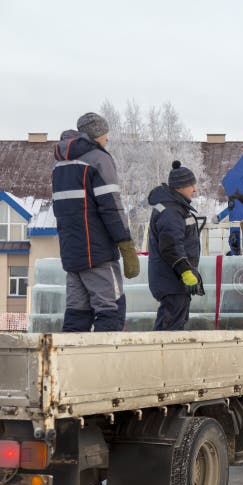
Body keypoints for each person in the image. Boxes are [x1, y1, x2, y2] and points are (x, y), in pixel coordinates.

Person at [52, 112, 140, 332]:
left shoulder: (60, 164)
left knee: (76, 314)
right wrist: (126, 244)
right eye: (105, 133)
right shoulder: (99, 159)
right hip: (98, 253)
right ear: (97, 134)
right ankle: (105, 364)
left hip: (72, 254)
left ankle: (69, 364)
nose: (107, 138)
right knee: (111, 308)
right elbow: (111, 205)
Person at [148, 161, 204, 331]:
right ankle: (160, 357)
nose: (194, 189)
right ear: (180, 187)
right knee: (169, 329)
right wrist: (186, 271)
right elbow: (171, 246)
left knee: (174, 323)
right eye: (191, 185)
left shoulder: (174, 207)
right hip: (172, 281)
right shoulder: (171, 211)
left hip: (173, 281)